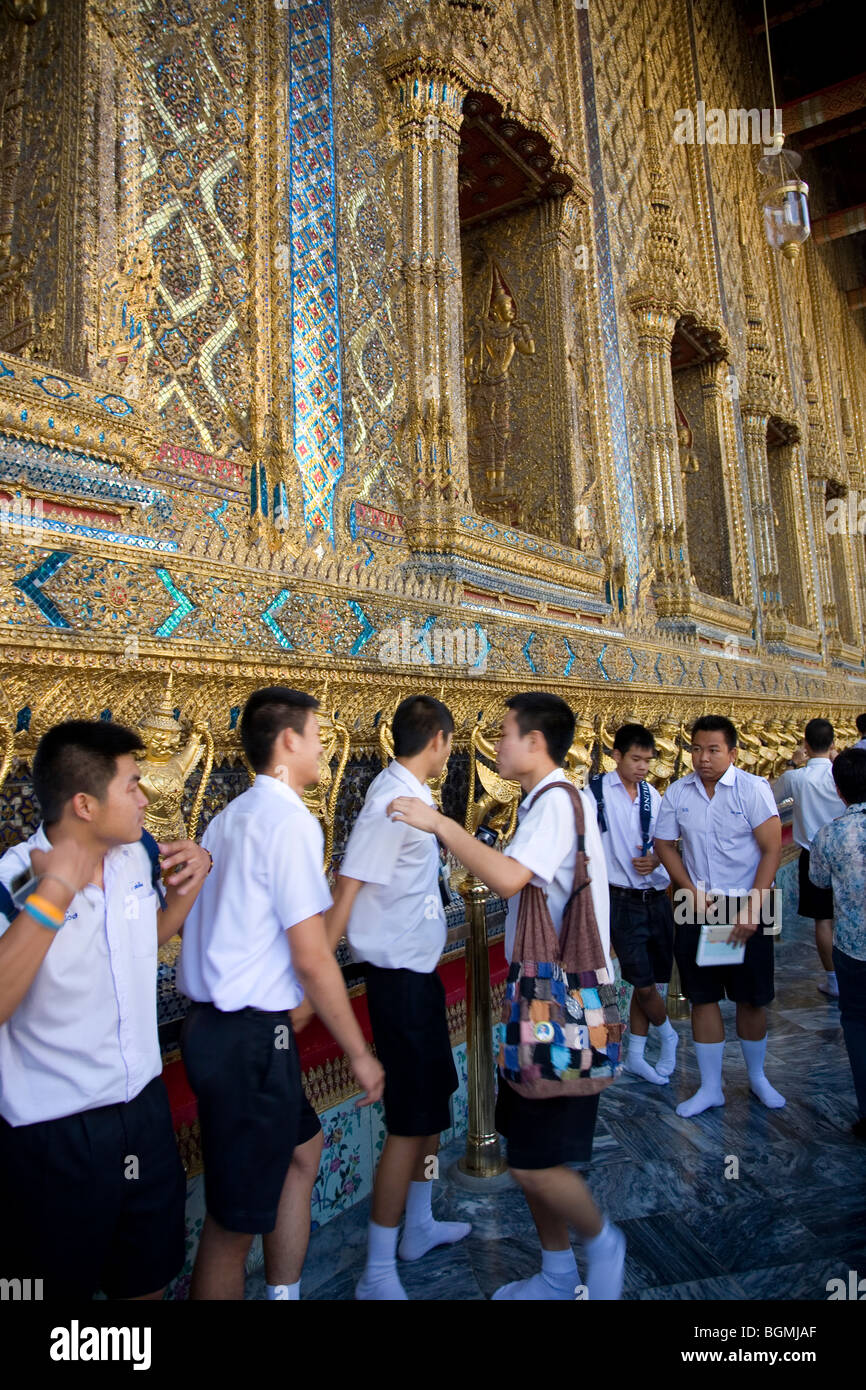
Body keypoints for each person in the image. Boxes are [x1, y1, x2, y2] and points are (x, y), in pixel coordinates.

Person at [388, 692, 625, 1301]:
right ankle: (557, 1273)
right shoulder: (547, 800)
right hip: (544, 1002)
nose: (495, 745)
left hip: (561, 1007)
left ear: (535, 742)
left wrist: (441, 824)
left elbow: (507, 878)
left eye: (504, 733)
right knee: (530, 1152)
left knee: (535, 1161)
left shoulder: (555, 803)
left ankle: (602, 1242)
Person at [177, 687, 384, 1301]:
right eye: (317, 735)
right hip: (245, 1039)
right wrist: (359, 1053)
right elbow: (312, 956)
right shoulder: (289, 821)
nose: (324, 748)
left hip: (233, 1031)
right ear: (289, 740)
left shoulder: (229, 816)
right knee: (231, 1226)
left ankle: (282, 1293)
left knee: (303, 1150)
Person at [0, 719, 211, 1300]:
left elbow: (142, 944)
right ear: (85, 805)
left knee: (145, 1277)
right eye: (132, 785)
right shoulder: (19, 877)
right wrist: (55, 894)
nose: (145, 798)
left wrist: (188, 890)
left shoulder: (135, 856)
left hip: (141, 1110)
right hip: (55, 1134)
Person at [325, 695, 469, 1301]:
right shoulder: (390, 802)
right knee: (409, 1125)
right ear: (438, 740)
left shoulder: (416, 797)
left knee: (433, 1110)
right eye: (451, 741)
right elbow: (349, 886)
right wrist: (317, 974)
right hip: (398, 986)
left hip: (420, 979)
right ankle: (377, 1270)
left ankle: (420, 1221)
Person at [655, 715, 783, 1118]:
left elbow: (772, 849)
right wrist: (687, 888)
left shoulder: (752, 789)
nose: (703, 758)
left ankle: (758, 1078)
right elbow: (663, 843)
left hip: (750, 901)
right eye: (696, 749)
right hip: (697, 904)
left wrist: (754, 908)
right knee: (702, 997)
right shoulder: (679, 791)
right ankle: (711, 1087)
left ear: (732, 752)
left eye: (713, 750)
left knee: (752, 997)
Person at [590, 723, 678, 1085]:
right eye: (636, 759)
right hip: (622, 900)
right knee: (641, 983)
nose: (643, 767)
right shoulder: (595, 794)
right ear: (616, 756)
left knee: (652, 982)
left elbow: (667, 840)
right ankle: (669, 1036)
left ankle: (638, 1055)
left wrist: (657, 859)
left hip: (656, 897)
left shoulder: (651, 795)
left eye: (647, 760)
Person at [808, 749, 866, 1140]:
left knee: (858, 1025)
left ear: (839, 790)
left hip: (852, 948)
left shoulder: (830, 834)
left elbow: (819, 881)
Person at [773, 717, 845, 997]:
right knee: (848, 913)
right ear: (833, 743)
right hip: (845, 851)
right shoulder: (841, 773)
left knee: (823, 919)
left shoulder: (796, 777)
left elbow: (771, 799)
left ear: (805, 744)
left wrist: (792, 763)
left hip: (813, 855)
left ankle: (833, 978)